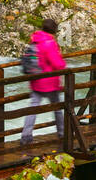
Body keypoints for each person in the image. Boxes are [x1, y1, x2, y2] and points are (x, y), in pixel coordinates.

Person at [21, 18, 66, 148]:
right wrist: (63, 63)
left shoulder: (35, 39)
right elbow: (57, 64)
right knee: (57, 108)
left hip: (35, 81)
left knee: (33, 109)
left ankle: (26, 135)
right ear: (54, 31)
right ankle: (62, 133)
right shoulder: (49, 43)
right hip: (49, 83)